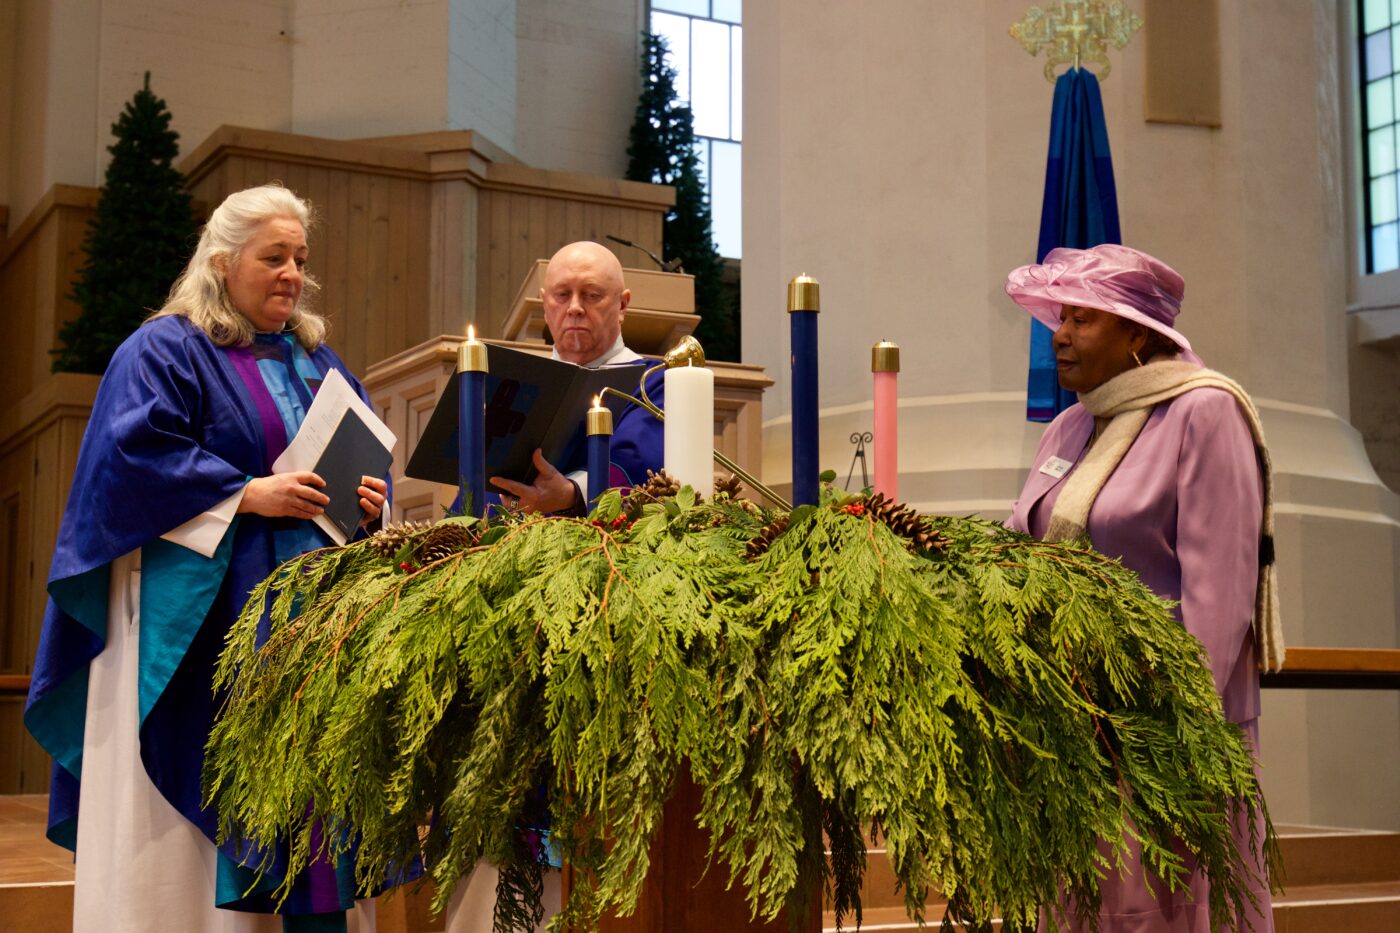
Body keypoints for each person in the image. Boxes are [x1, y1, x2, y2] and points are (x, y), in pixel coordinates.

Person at [24, 184, 390, 932]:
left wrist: (370, 501)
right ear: (222, 262)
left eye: (300, 259)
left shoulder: (316, 360)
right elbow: (126, 466)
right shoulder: (165, 348)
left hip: (312, 631)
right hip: (207, 622)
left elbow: (359, 453)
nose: (292, 273)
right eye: (274, 257)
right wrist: (247, 494)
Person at [1004, 243, 1283, 932]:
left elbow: (1216, 608)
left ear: (1138, 334)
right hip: (1070, 733)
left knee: (1159, 910)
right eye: (1059, 317)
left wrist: (1143, 725)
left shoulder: (1206, 413)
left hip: (1164, 743)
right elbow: (1019, 548)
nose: (1059, 335)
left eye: (1082, 319)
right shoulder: (1071, 425)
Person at [487, 240, 665, 515]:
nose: (575, 308)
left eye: (592, 294)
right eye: (561, 295)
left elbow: (637, 462)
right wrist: (513, 503)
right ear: (545, 304)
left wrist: (571, 494)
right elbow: (480, 489)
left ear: (622, 305)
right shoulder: (516, 390)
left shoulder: (652, 382)